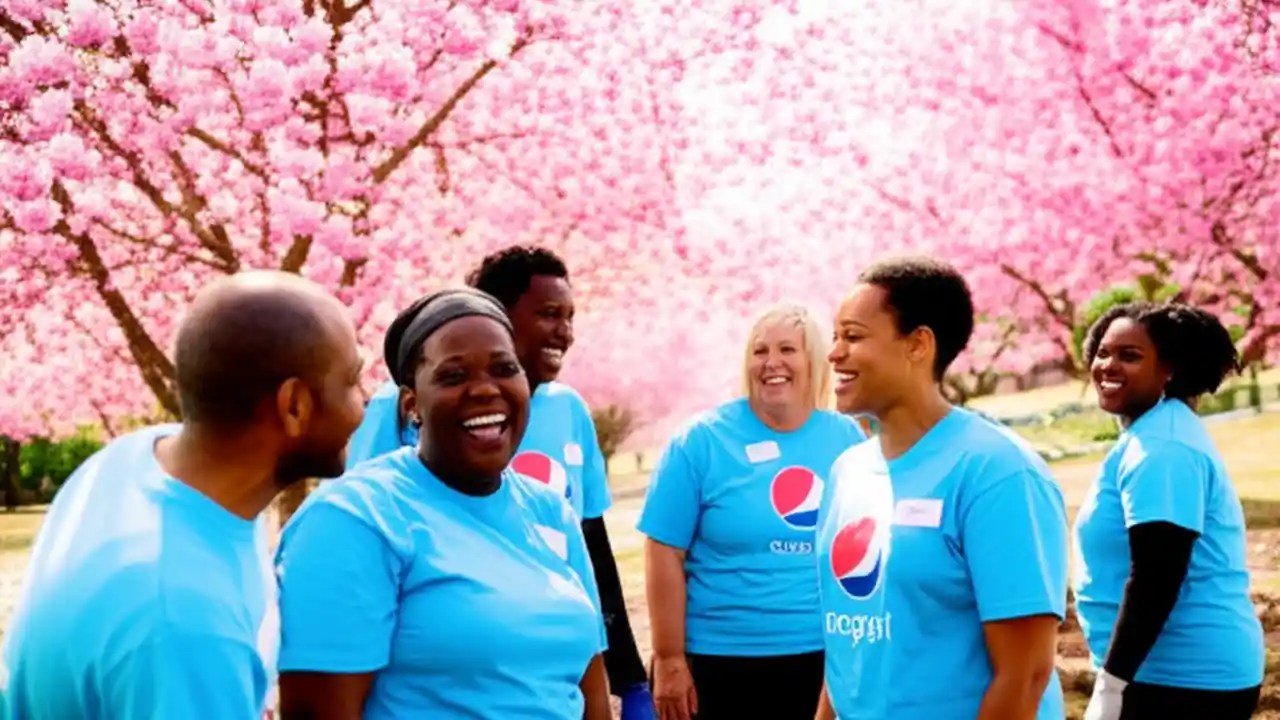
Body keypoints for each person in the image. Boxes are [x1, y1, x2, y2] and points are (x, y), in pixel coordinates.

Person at [0, 271, 364, 719]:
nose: (364, 404)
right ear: (294, 406)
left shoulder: (132, 459)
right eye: (352, 382)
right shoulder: (182, 622)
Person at [342, 245, 654, 715]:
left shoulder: (569, 412)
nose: (564, 332)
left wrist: (628, 680)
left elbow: (594, 553)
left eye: (570, 316)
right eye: (549, 314)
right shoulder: (400, 409)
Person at [274, 287, 611, 720]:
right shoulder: (354, 518)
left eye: (505, 368)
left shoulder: (550, 510)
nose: (485, 390)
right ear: (411, 404)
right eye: (453, 376)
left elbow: (589, 685)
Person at [816, 256, 1068, 720]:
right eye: (835, 337)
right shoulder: (846, 472)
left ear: (918, 345)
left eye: (853, 336)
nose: (833, 354)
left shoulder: (997, 473)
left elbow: (1025, 676)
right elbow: (849, 649)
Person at [638, 302, 866, 720]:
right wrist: (669, 658)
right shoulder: (701, 441)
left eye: (787, 350)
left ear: (813, 359)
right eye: (760, 351)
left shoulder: (848, 438)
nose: (772, 363)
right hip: (720, 660)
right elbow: (663, 550)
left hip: (824, 657)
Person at [1073, 302, 1264, 720]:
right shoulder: (1153, 434)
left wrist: (1111, 685)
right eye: (1104, 352)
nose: (1108, 365)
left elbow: (1157, 578)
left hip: (1183, 684)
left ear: (1169, 369)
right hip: (1160, 678)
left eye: (1130, 356)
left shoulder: (1164, 448)